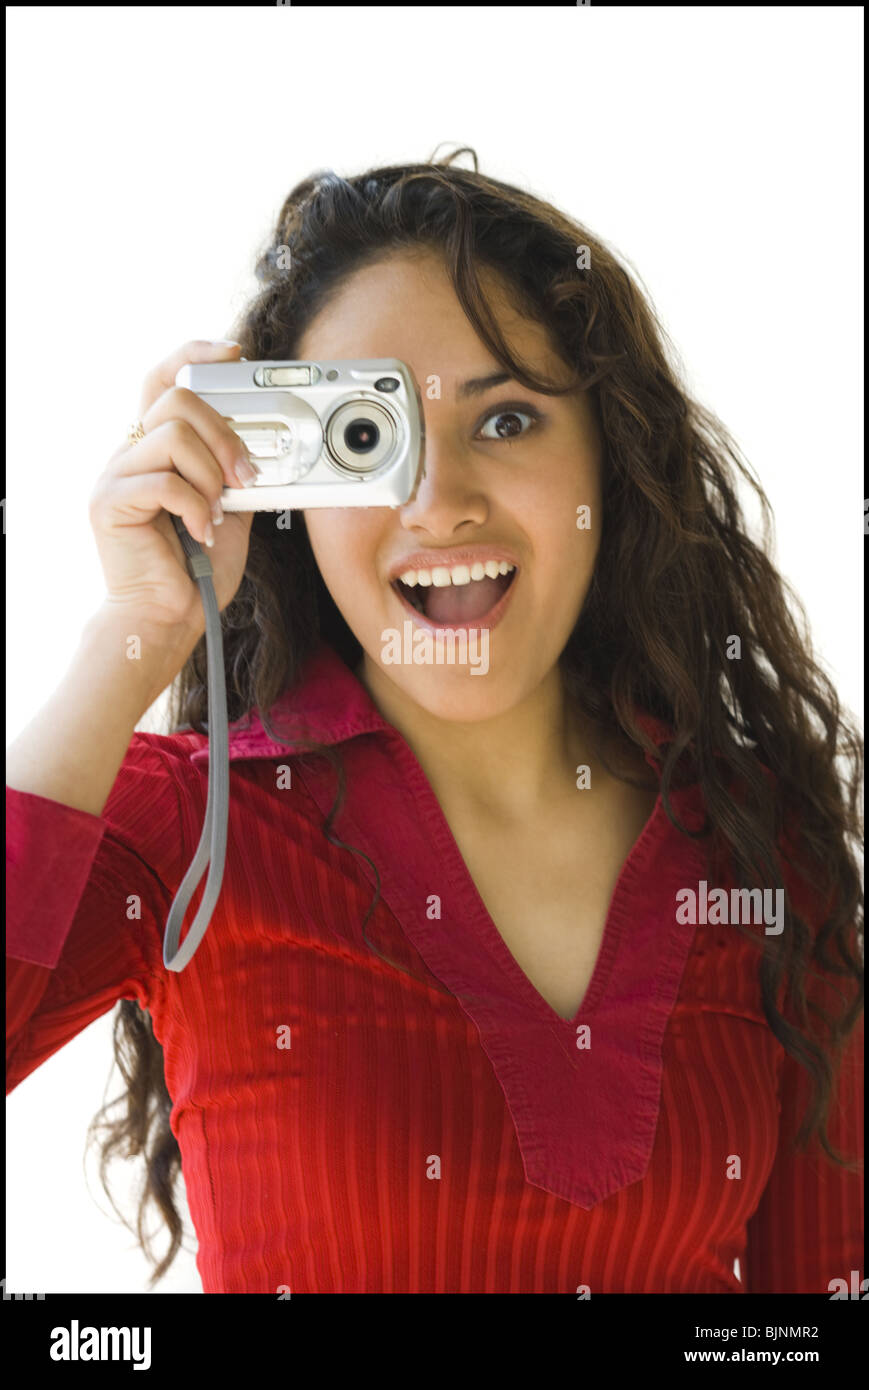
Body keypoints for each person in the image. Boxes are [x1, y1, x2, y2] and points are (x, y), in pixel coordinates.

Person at [6, 148, 863, 1294]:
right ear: (279, 487)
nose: (437, 501)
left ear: (609, 462)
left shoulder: (765, 849)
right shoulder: (190, 825)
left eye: (505, 420)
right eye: (368, 435)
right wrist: (137, 630)